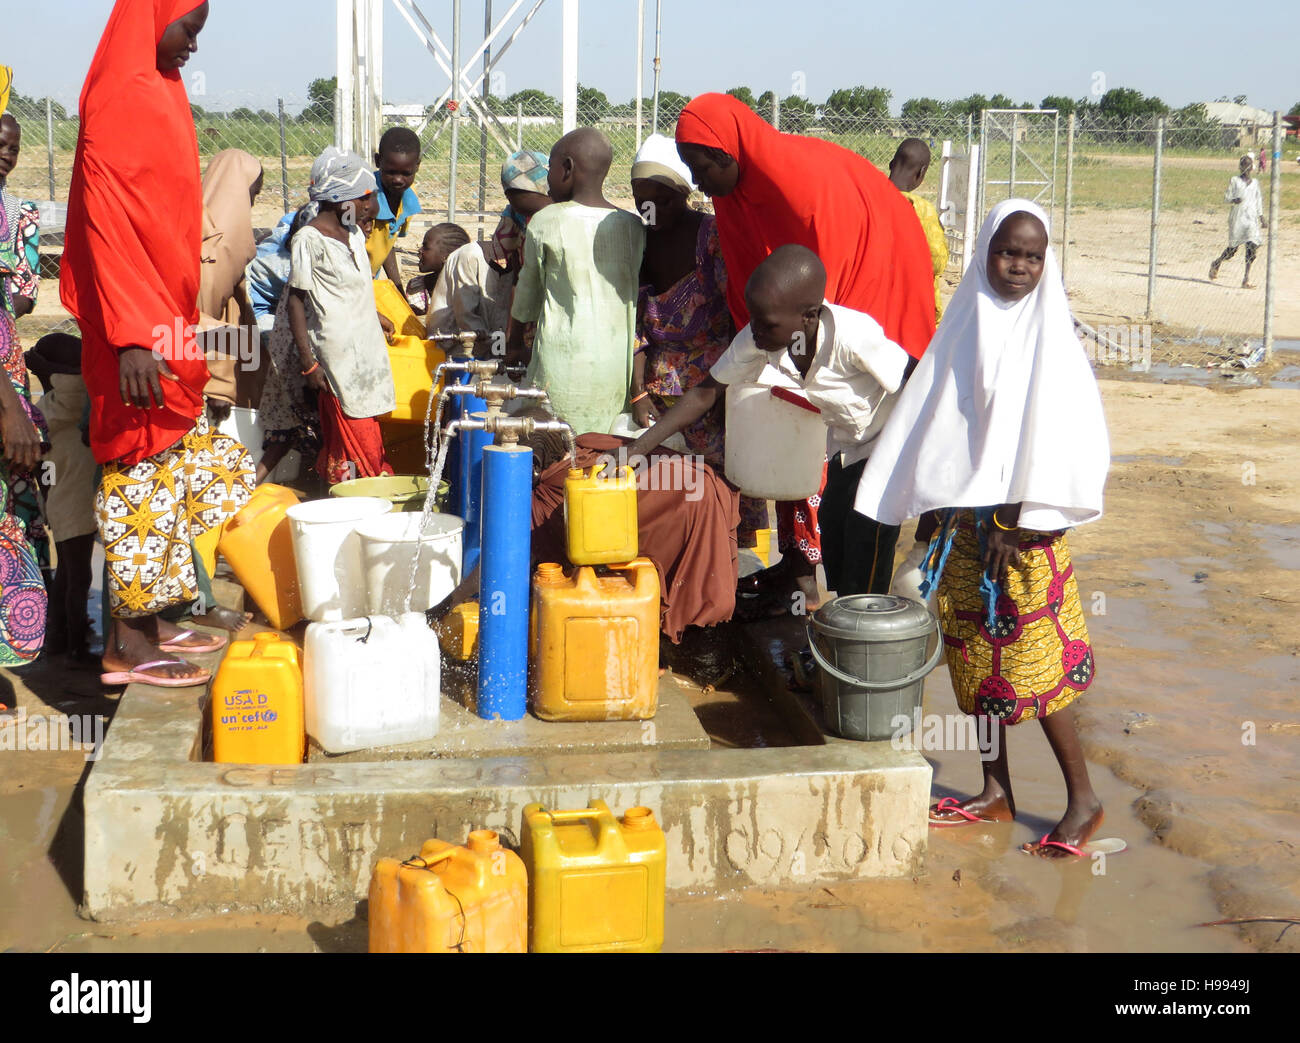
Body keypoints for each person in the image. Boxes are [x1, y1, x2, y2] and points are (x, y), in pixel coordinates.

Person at [854, 200, 1111, 858]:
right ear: (984, 252)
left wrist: (1016, 517)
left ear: (1045, 261)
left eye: (1031, 255)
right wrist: (935, 496)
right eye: (1006, 251)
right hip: (969, 528)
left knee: (1037, 668)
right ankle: (996, 791)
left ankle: (1083, 797)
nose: (1018, 265)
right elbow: (940, 411)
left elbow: (1057, 435)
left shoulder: (1048, 334)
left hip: (1024, 534)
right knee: (974, 666)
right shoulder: (968, 315)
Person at [674, 93, 936, 612]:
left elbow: (834, 286)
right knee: (824, 479)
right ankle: (810, 577)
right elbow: (753, 287)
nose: (698, 184)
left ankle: (855, 617)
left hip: (873, 306)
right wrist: (760, 348)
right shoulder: (737, 199)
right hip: (809, 334)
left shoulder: (804, 185)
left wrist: (797, 349)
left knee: (863, 511)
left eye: (700, 169)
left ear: (727, 154)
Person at [61, 0, 256, 688]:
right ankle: (127, 644)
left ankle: (152, 619)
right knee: (140, 474)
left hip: (162, 324)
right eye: (189, 30)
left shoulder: (161, 91)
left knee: (183, 470)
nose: (192, 47)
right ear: (153, 18)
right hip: (132, 337)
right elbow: (106, 228)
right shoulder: (118, 98)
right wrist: (130, 337)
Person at [628, 246, 910, 600]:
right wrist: (639, 447)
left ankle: (863, 635)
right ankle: (842, 628)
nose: (755, 331)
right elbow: (706, 393)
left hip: (885, 448)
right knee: (835, 539)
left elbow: (912, 378)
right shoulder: (763, 336)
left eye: (766, 324)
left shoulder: (854, 337)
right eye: (753, 319)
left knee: (865, 549)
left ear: (808, 317)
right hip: (845, 449)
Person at [628, 133, 765, 550]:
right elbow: (630, 321)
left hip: (716, 384)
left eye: (663, 200)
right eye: (641, 200)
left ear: (684, 193)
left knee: (727, 481)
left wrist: (733, 387)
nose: (651, 211)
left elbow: (738, 313)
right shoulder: (637, 240)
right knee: (671, 486)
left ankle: (730, 570)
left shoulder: (710, 237)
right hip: (658, 388)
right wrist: (637, 392)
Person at [507, 128, 645, 436]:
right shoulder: (634, 228)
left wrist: (514, 344)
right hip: (614, 372)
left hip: (561, 369)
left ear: (567, 168)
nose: (548, 180)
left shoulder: (545, 221)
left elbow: (527, 296)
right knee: (598, 453)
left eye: (551, 169)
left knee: (553, 448)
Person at [289, 147, 395, 486]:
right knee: (360, 446)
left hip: (365, 355)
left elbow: (350, 289)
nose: (371, 207)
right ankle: (360, 502)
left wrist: (373, 314)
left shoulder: (352, 235)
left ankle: (346, 501)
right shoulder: (310, 240)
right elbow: (296, 301)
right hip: (337, 361)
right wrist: (308, 363)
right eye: (365, 198)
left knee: (362, 438)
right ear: (339, 200)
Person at [0, 111, 50, 669]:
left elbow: (24, 297)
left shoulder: (16, 214)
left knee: (14, 517)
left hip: (10, 376)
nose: (7, 154)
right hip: (4, 391)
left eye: (13, 146)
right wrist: (12, 410)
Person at [428, 151, 553, 353]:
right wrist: (506, 347)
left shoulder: (551, 223)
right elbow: (468, 320)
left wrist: (507, 345)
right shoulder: (470, 258)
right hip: (458, 348)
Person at [26, 334, 97, 663]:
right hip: (80, 501)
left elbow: (41, 470)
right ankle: (75, 645)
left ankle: (57, 636)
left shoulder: (43, 410)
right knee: (79, 576)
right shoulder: (86, 397)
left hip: (59, 501)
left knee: (68, 572)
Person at [197, 148, 264, 414]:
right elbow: (197, 319)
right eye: (254, 193)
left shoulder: (201, 223)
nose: (253, 203)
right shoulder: (219, 246)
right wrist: (220, 385)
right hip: (199, 371)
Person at [888, 138, 948, 324]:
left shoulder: (869, 196)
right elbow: (937, 263)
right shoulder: (922, 211)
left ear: (891, 164)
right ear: (921, 173)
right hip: (912, 307)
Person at [366, 126, 424, 284]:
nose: (398, 180)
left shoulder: (409, 198)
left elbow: (387, 243)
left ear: (417, 166)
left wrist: (398, 287)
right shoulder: (364, 199)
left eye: (406, 173)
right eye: (391, 172)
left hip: (367, 280)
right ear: (378, 161)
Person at [1209, 154, 1265, 288]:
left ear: (1252, 167)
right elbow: (1227, 197)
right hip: (1238, 218)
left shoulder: (1255, 183)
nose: (1246, 167)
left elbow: (1258, 200)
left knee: (1252, 246)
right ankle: (1217, 262)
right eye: (1244, 164)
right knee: (1233, 249)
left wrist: (1262, 217)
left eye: (1249, 164)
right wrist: (1234, 200)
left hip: (1251, 218)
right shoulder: (1235, 180)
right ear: (1240, 167)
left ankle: (1246, 279)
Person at [405, 222, 469, 318]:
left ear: (447, 256)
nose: (420, 250)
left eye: (426, 247)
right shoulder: (417, 288)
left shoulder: (467, 290)